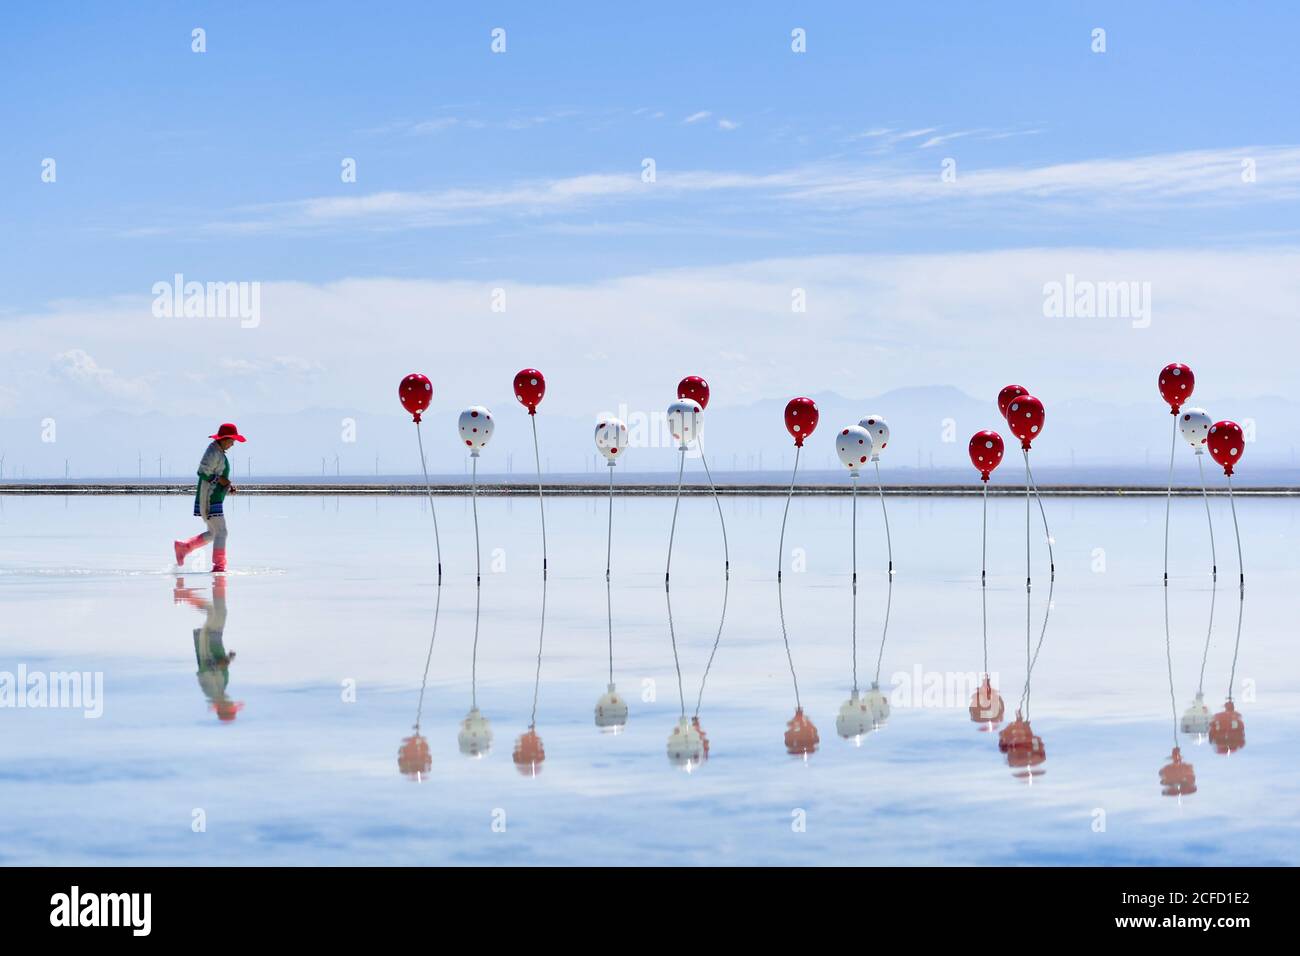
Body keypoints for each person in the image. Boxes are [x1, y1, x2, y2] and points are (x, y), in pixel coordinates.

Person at [173, 423, 245, 572]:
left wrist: (226, 486)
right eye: (232, 440)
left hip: (215, 496)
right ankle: (219, 566)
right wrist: (220, 480)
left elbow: (217, 474)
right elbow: (202, 472)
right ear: (225, 439)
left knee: (214, 533)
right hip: (211, 498)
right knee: (221, 532)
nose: (233, 444)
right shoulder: (213, 452)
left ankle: (184, 547)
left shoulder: (218, 452)